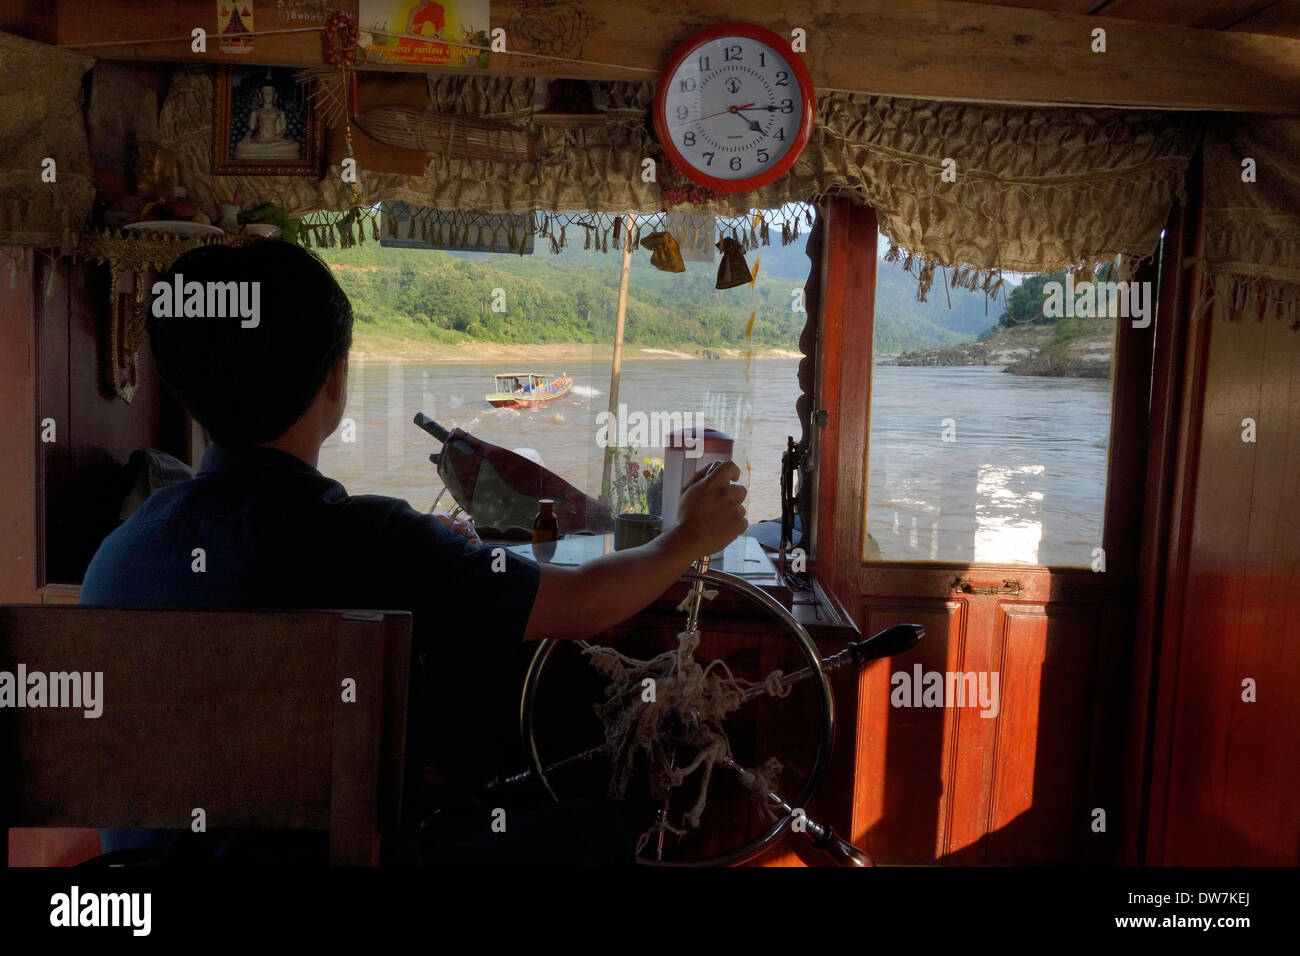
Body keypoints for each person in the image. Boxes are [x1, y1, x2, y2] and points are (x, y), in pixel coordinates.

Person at [79, 242, 748, 865]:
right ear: (335, 381)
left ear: (180, 386)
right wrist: (686, 539)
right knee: (596, 832)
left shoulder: (120, 554)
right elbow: (580, 606)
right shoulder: (369, 541)